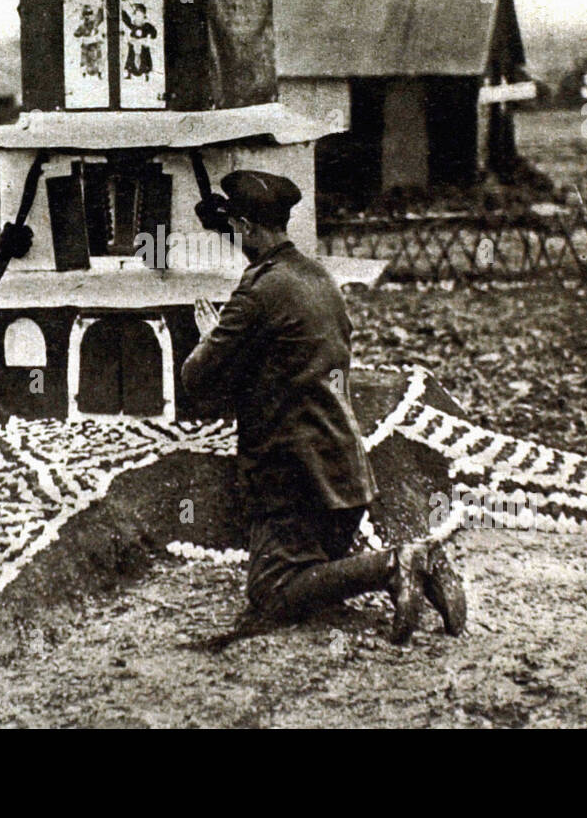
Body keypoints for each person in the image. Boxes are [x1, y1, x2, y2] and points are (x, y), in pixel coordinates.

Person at [182, 170, 466, 646]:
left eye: (234, 228)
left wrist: (214, 338)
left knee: (271, 593)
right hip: (346, 481)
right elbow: (292, 369)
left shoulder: (258, 291)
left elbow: (196, 378)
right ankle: (420, 564)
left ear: (248, 228)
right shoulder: (319, 278)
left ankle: (398, 563)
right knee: (308, 579)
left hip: (297, 483)